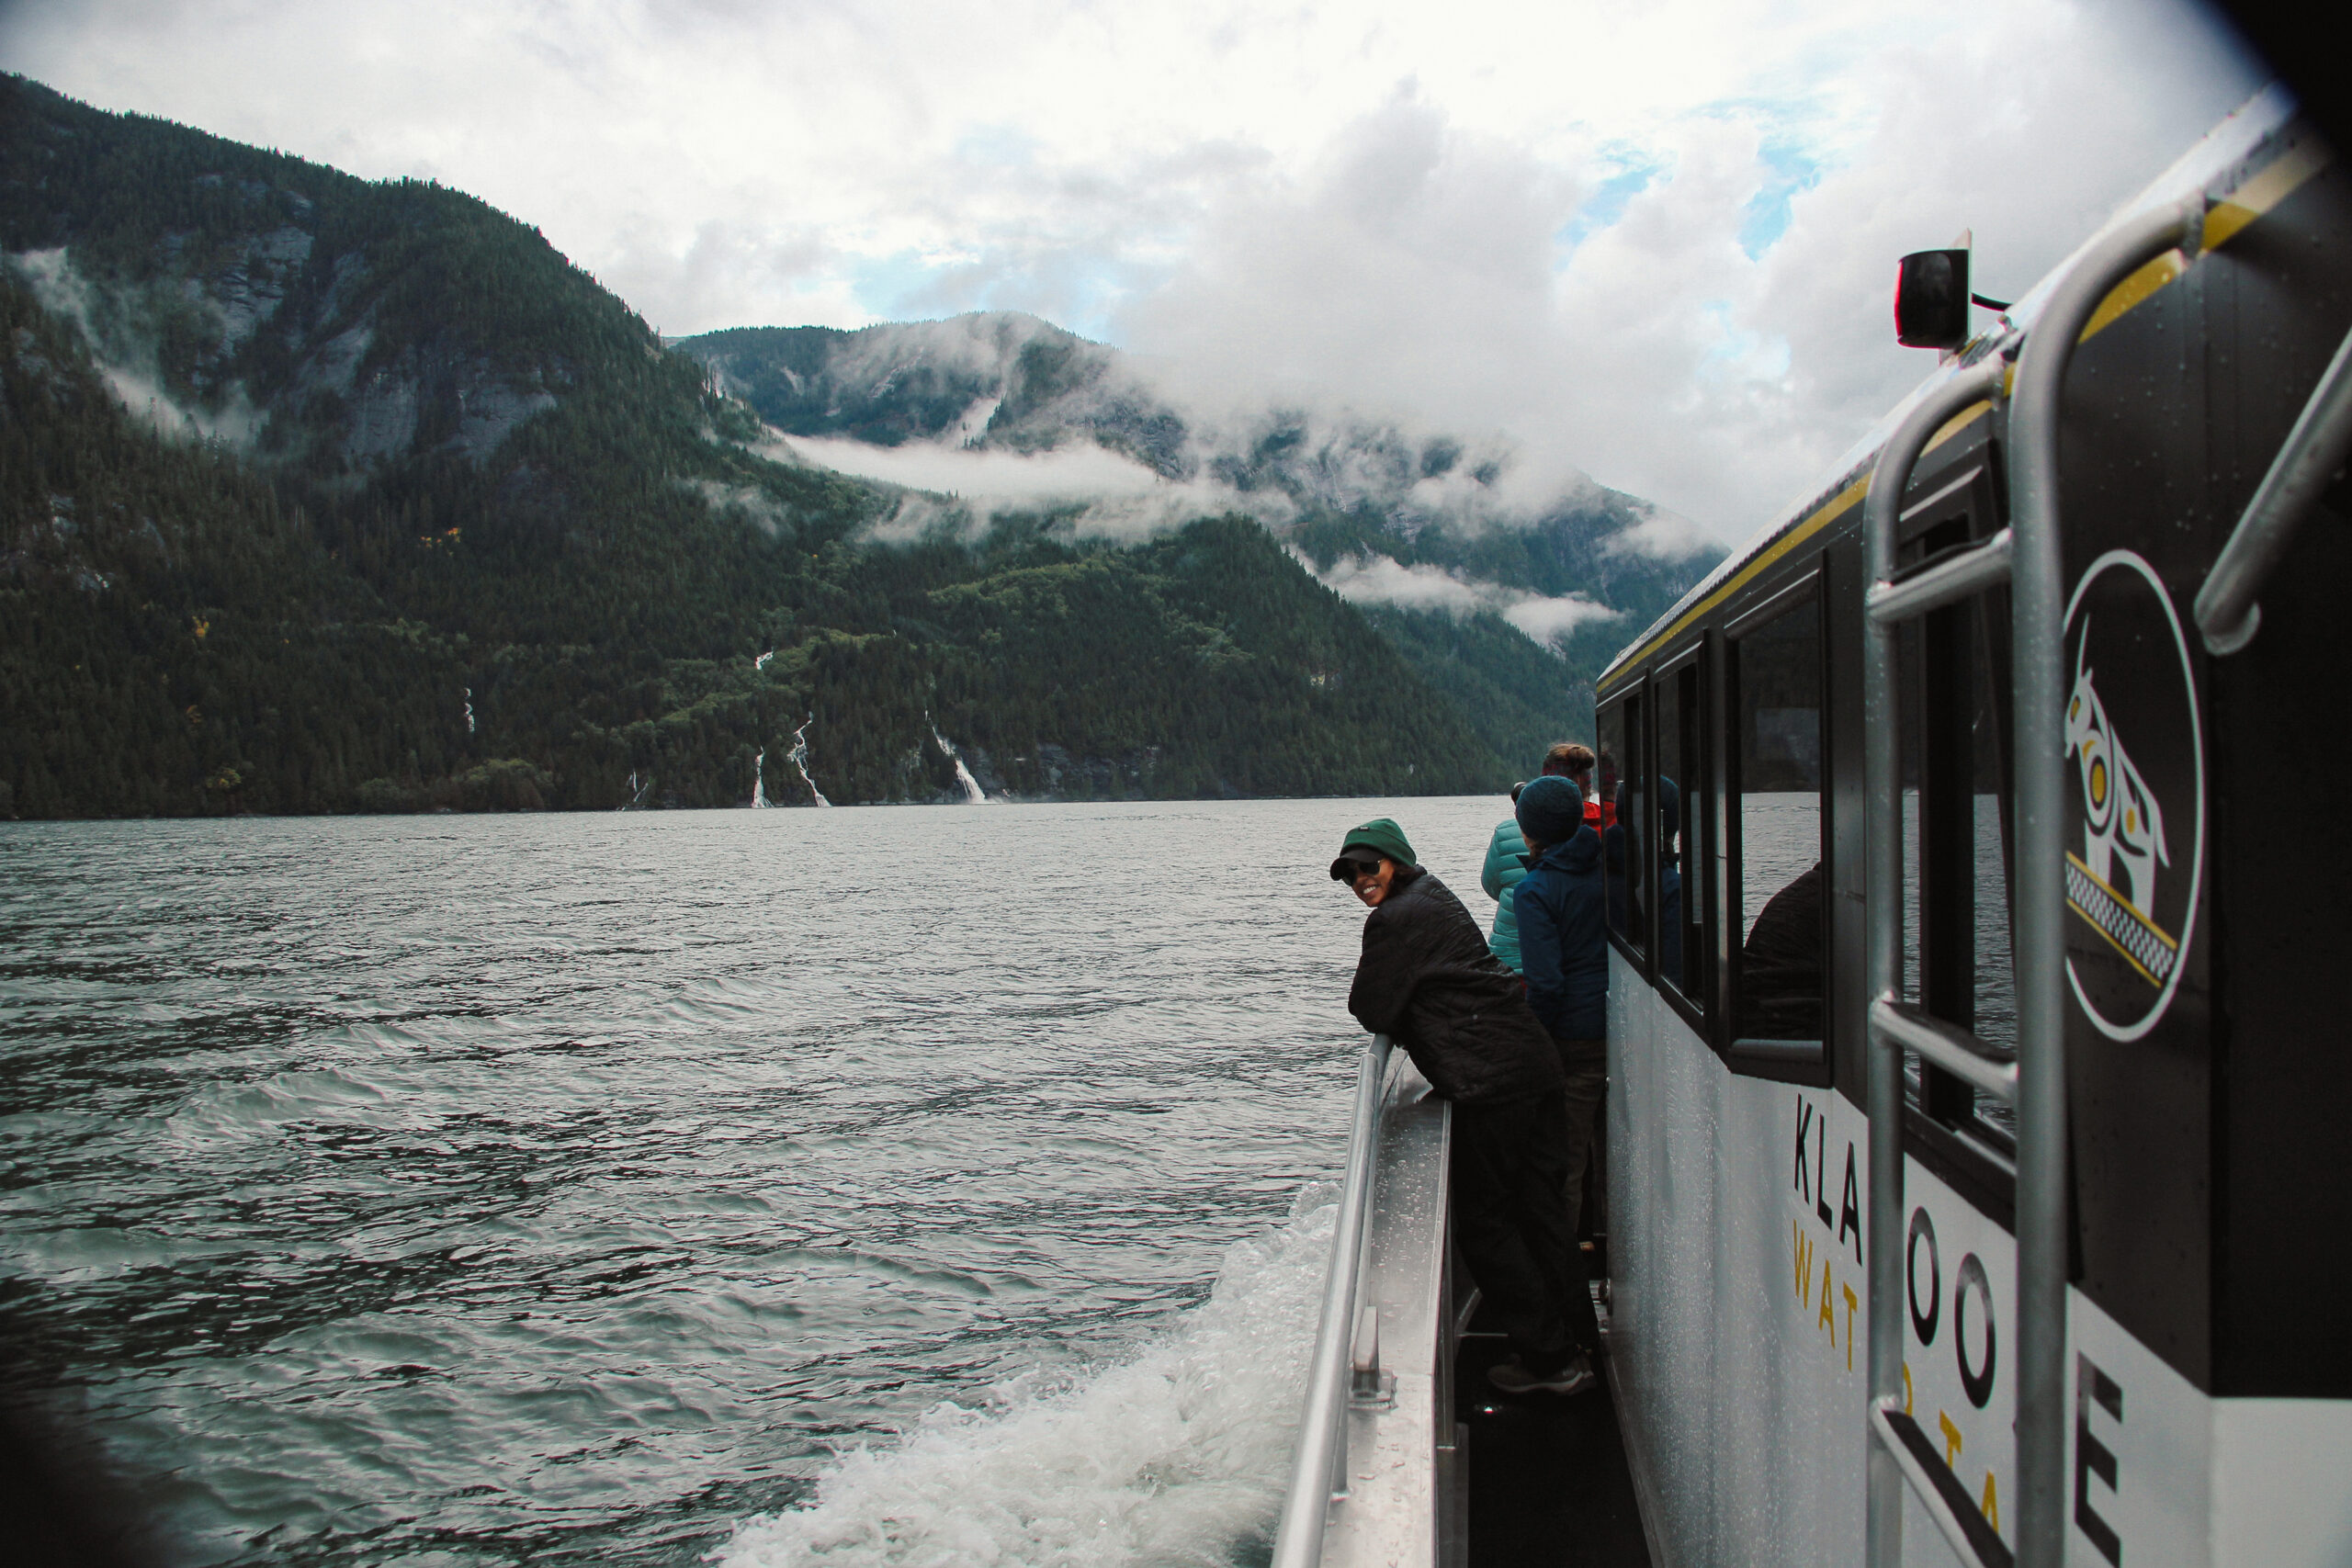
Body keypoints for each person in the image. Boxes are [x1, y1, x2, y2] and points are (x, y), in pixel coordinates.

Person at [1331, 817, 1600, 1396]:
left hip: (1493, 1083)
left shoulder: (1396, 920)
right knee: (1542, 1211)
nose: (1359, 881)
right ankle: (1580, 1344)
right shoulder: (1436, 896)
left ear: (1396, 861)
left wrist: (1407, 1016)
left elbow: (1370, 1006)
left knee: (1485, 1223)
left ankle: (1550, 1362)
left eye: (1368, 866)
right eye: (1349, 874)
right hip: (1531, 1065)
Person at [1510, 776, 1611, 1241]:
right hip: (1616, 1024)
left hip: (1572, 1037)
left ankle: (1562, 1273)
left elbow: (1546, 984)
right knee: (1609, 1149)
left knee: (1563, 1163)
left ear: (1529, 830)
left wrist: (1532, 1043)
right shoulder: (1606, 865)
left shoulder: (1536, 890)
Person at [1480, 783, 1532, 973]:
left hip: (1507, 945)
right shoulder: (1565, 828)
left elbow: (1489, 883)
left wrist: (1510, 896)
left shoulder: (1503, 831)